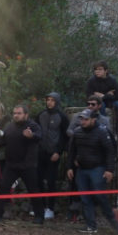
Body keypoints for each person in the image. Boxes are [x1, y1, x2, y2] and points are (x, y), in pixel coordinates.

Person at [0, 103, 44, 224]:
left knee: (33, 190)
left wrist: (31, 135)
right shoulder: (10, 127)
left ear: (26, 115)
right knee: (3, 188)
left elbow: (39, 136)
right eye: (14, 113)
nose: (16, 115)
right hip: (12, 165)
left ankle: (39, 216)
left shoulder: (32, 125)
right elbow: (2, 141)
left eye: (19, 113)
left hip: (27, 165)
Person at [66, 110, 118, 233]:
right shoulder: (77, 132)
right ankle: (91, 225)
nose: (83, 122)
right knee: (85, 198)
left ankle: (111, 219)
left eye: (86, 119)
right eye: (81, 119)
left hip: (98, 168)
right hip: (82, 169)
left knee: (100, 195)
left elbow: (110, 151)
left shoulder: (102, 132)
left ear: (93, 119)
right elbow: (71, 151)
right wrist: (69, 167)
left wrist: (109, 170)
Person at [36, 92, 68, 220]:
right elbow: (35, 130)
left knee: (51, 181)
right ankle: (41, 207)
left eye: (52, 100)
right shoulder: (41, 115)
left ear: (57, 102)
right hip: (41, 152)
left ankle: (50, 208)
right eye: (48, 99)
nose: (49, 102)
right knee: (38, 180)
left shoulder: (62, 117)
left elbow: (65, 137)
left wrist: (58, 152)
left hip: (53, 153)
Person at [85, 61, 118, 140]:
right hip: (98, 102)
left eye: (100, 69)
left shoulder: (112, 80)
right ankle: (104, 129)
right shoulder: (91, 81)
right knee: (101, 106)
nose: (97, 71)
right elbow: (89, 96)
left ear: (106, 71)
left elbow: (117, 96)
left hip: (110, 101)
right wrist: (107, 95)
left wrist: (103, 96)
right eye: (96, 69)